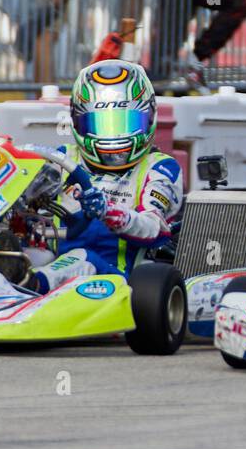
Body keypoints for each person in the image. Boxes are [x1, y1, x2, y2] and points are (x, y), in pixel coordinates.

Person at [28, 59, 184, 292]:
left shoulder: (160, 168)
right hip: (52, 258)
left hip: (116, 279)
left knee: (82, 257)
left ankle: (30, 285)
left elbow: (155, 227)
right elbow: (29, 200)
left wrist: (109, 212)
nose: (113, 137)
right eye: (100, 124)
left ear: (149, 117)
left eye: (126, 122)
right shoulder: (61, 158)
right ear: (77, 121)